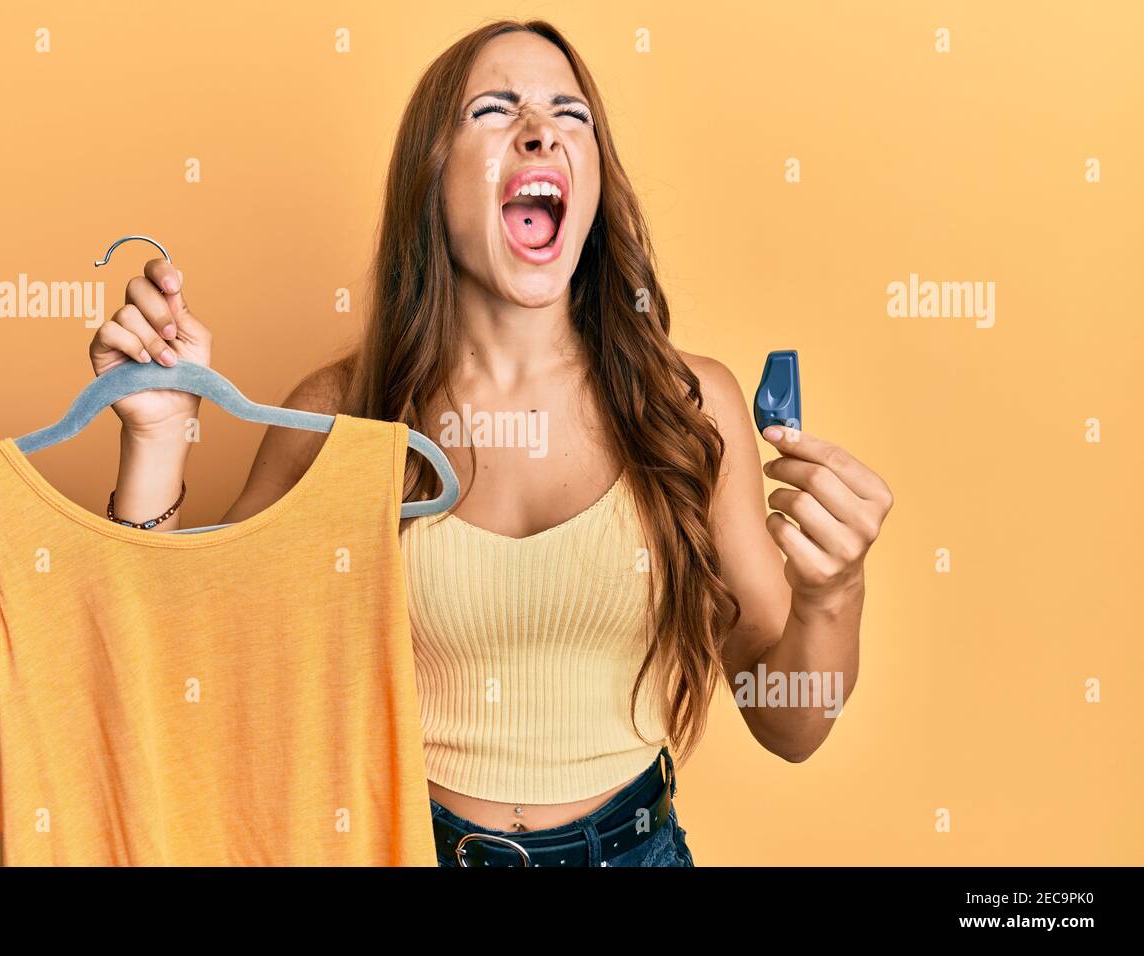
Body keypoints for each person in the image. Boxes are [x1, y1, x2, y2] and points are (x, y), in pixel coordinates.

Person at [85, 19, 893, 867]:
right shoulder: (343, 415)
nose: (539, 129)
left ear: (594, 187)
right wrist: (157, 442)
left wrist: (833, 594)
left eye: (568, 113)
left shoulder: (689, 405)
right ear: (431, 180)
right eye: (495, 110)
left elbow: (790, 727)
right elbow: (172, 683)